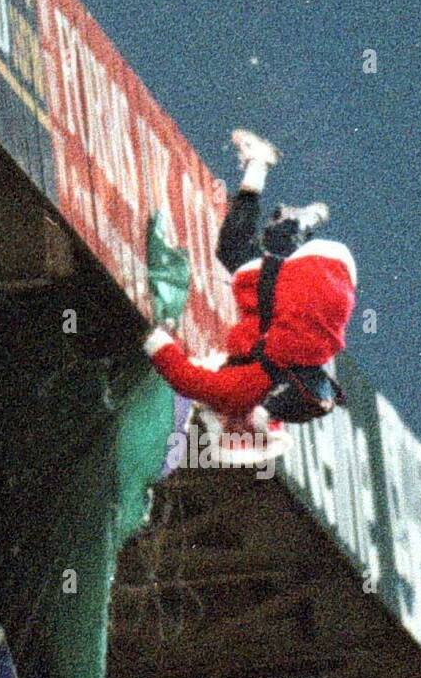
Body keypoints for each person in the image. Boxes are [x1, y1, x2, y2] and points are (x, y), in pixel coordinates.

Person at [143, 129, 357, 460]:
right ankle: (276, 194)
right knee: (246, 249)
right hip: (304, 288)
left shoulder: (274, 392)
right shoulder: (240, 395)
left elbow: (217, 367)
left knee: (251, 253)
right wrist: (157, 342)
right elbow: (187, 379)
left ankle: (289, 214)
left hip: (335, 287)